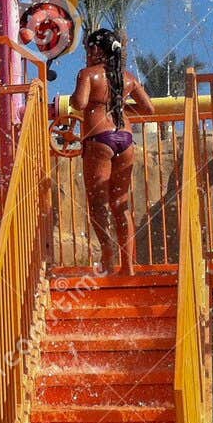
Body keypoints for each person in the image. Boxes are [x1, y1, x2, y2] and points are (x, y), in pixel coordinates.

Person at [70, 28, 154, 275]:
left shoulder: (88, 74)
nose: (86, 54)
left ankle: (108, 259)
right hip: (125, 138)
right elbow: (147, 108)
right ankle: (128, 267)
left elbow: (80, 103)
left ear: (97, 49)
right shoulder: (127, 77)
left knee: (98, 204)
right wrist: (120, 111)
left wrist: (80, 98)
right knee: (120, 204)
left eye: (88, 48)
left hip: (99, 140)